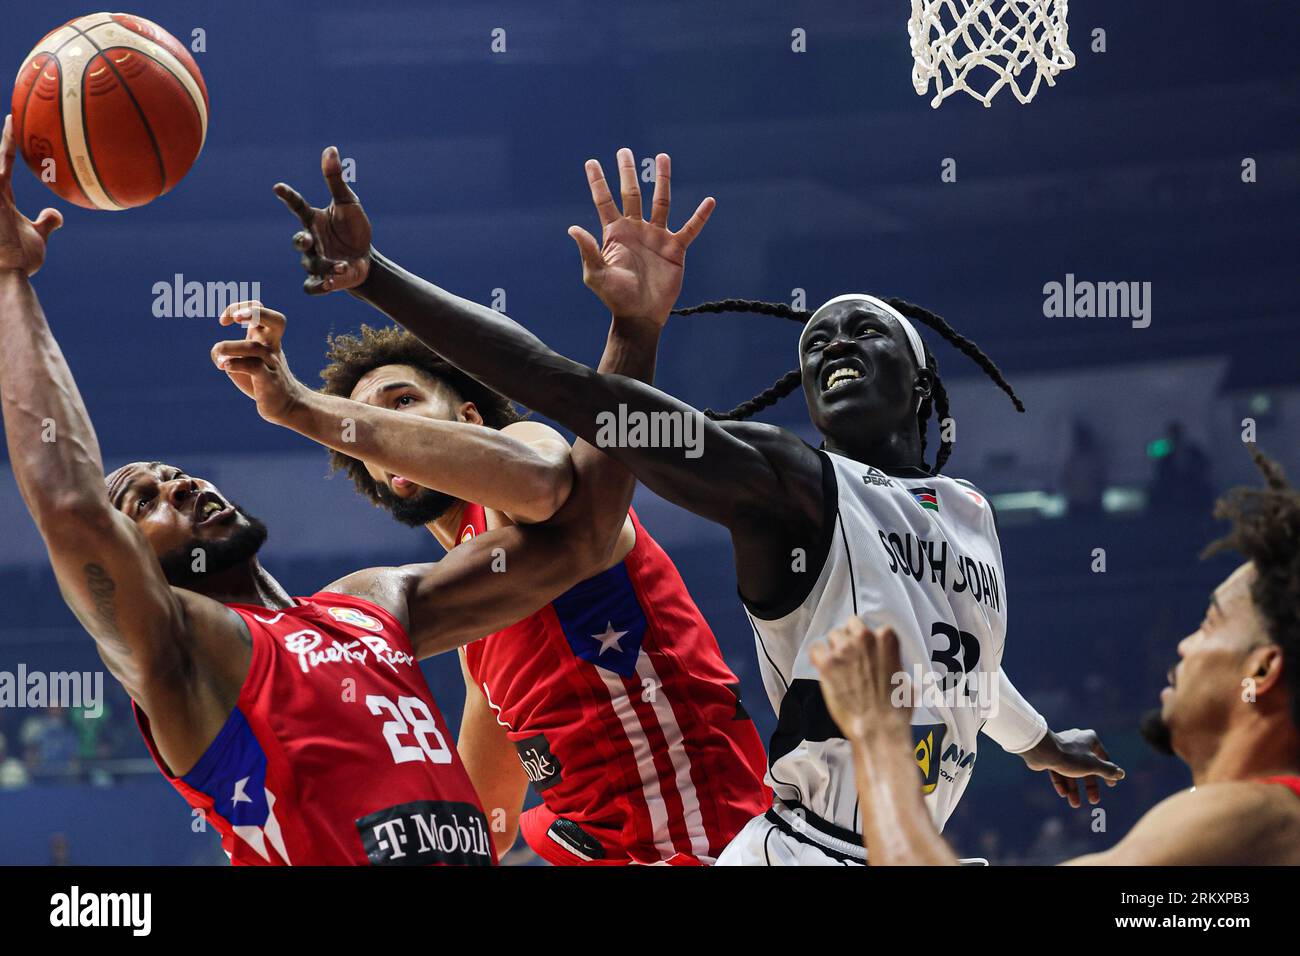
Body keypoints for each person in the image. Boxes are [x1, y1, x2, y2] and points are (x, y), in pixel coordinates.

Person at [272, 143, 1121, 866]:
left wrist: (1038, 740)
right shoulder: (787, 483)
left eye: (864, 332)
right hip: (785, 844)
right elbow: (482, 814)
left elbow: (963, 665)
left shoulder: (964, 510)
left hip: (747, 828)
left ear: (924, 387)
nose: (834, 347)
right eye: (816, 342)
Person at [0, 113, 646, 866]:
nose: (178, 488)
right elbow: (71, 505)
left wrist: (633, 330)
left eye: (176, 478)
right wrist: (11, 277)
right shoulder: (180, 651)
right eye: (145, 503)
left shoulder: (373, 603)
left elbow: (583, 536)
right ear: (129, 562)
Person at [210, 151, 770, 865]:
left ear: (471, 418)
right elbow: (487, 821)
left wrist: (303, 408)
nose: (387, 433)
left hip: (703, 842)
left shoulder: (528, 456)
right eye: (370, 428)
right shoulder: (476, 622)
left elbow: (541, 479)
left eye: (404, 404)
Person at [810, 447, 1300, 865]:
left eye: (1209, 623)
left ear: (1261, 670)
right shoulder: (1259, 819)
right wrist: (1034, 737)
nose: (1184, 645)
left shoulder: (1256, 815)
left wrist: (876, 732)